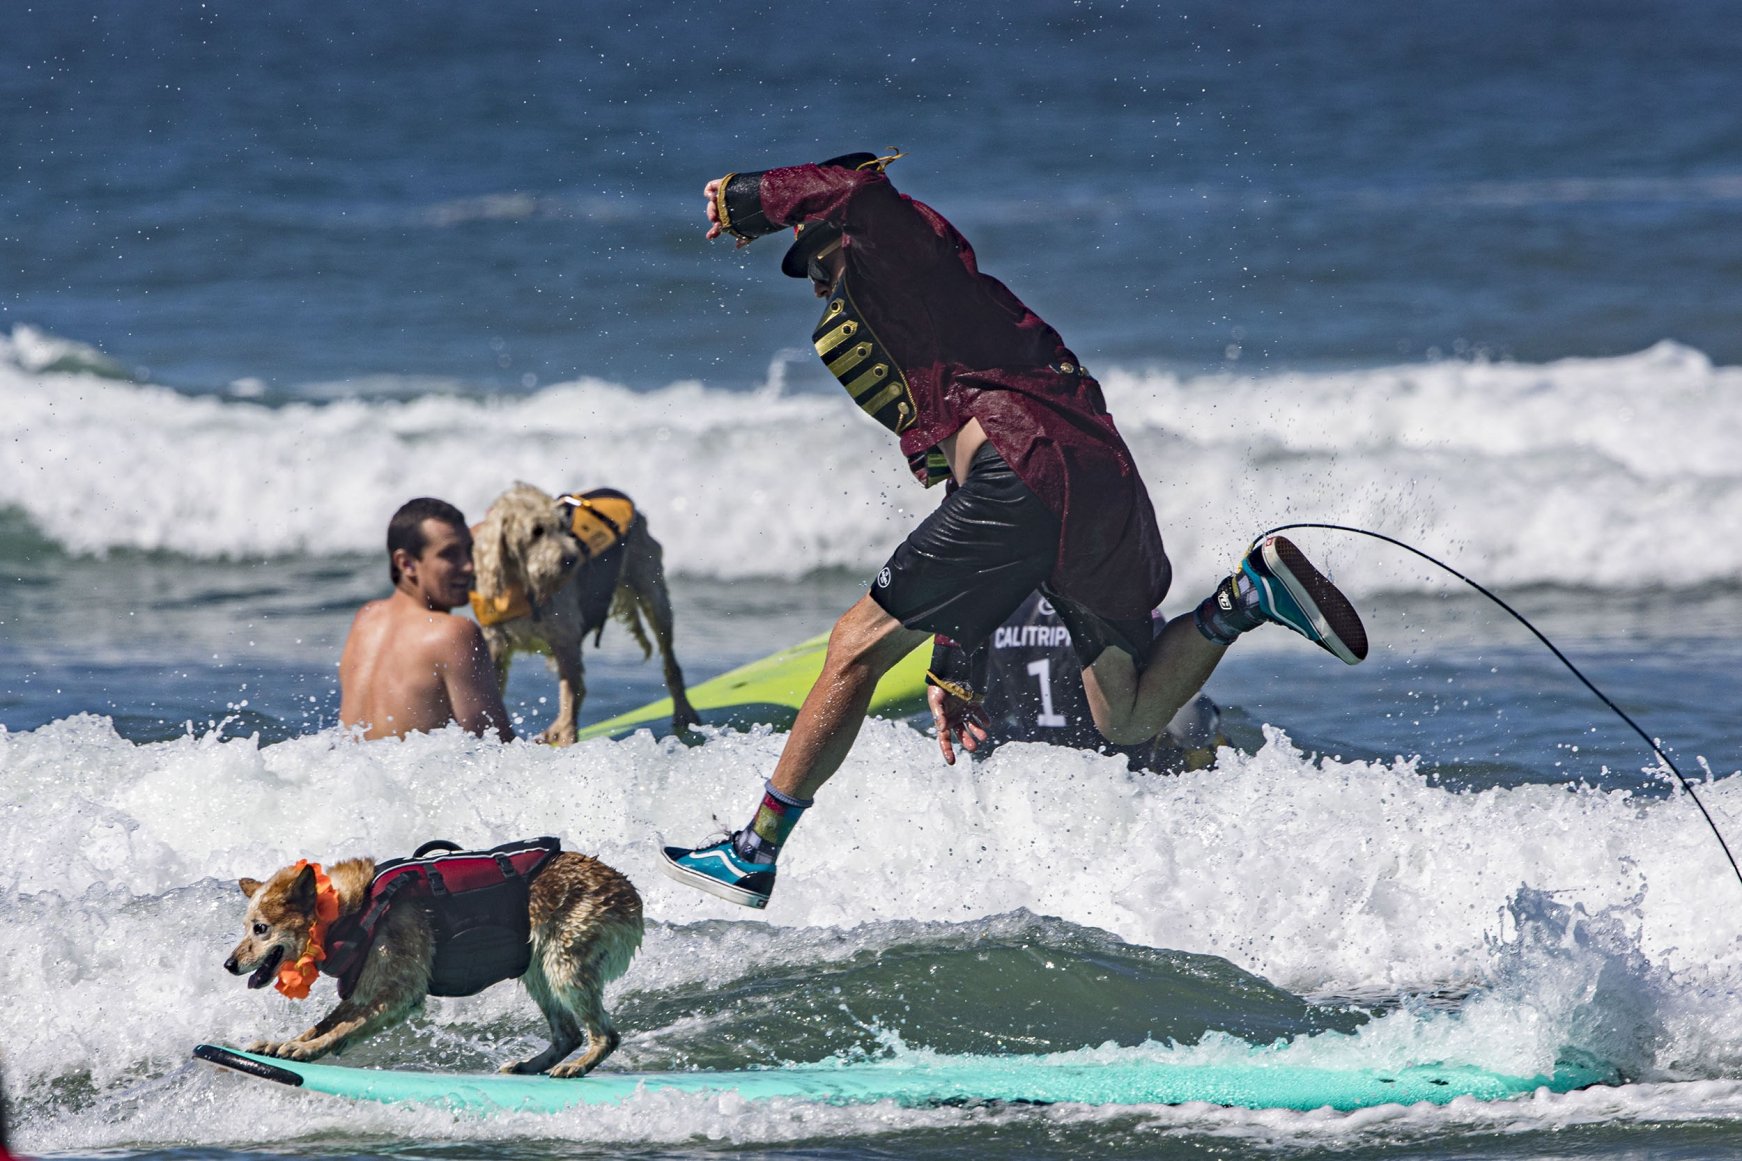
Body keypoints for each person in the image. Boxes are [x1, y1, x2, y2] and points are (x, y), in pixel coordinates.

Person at [662, 153, 1365, 909]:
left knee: (853, 645)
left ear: (851, 243)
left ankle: (752, 850)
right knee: (1124, 714)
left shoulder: (905, 261)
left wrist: (749, 198)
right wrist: (955, 666)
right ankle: (1245, 596)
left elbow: (862, 187)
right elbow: (990, 549)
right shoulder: (950, 334)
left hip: (1025, 465)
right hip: (1094, 483)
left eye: (821, 262)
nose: (819, 285)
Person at [927, 592, 1226, 773]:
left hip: (1041, 786)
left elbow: (989, 712)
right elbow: (1192, 723)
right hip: (1125, 785)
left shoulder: (1002, 611)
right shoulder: (1122, 609)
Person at [338, 497, 514, 741]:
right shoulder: (454, 633)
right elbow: (498, 748)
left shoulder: (367, 618)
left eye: (469, 550)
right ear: (406, 563)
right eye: (450, 555)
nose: (469, 566)